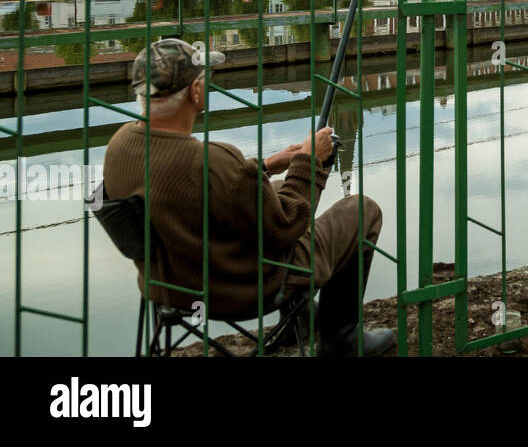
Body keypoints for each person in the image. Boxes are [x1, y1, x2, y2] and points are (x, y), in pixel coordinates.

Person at [101, 37, 395, 357]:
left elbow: (215, 184)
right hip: (243, 288)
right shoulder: (210, 160)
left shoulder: (119, 146)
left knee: (275, 188)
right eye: (205, 80)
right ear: (196, 93)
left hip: (169, 285)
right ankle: (342, 340)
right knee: (362, 209)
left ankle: (301, 321)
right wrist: (310, 162)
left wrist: (269, 164)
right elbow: (288, 223)